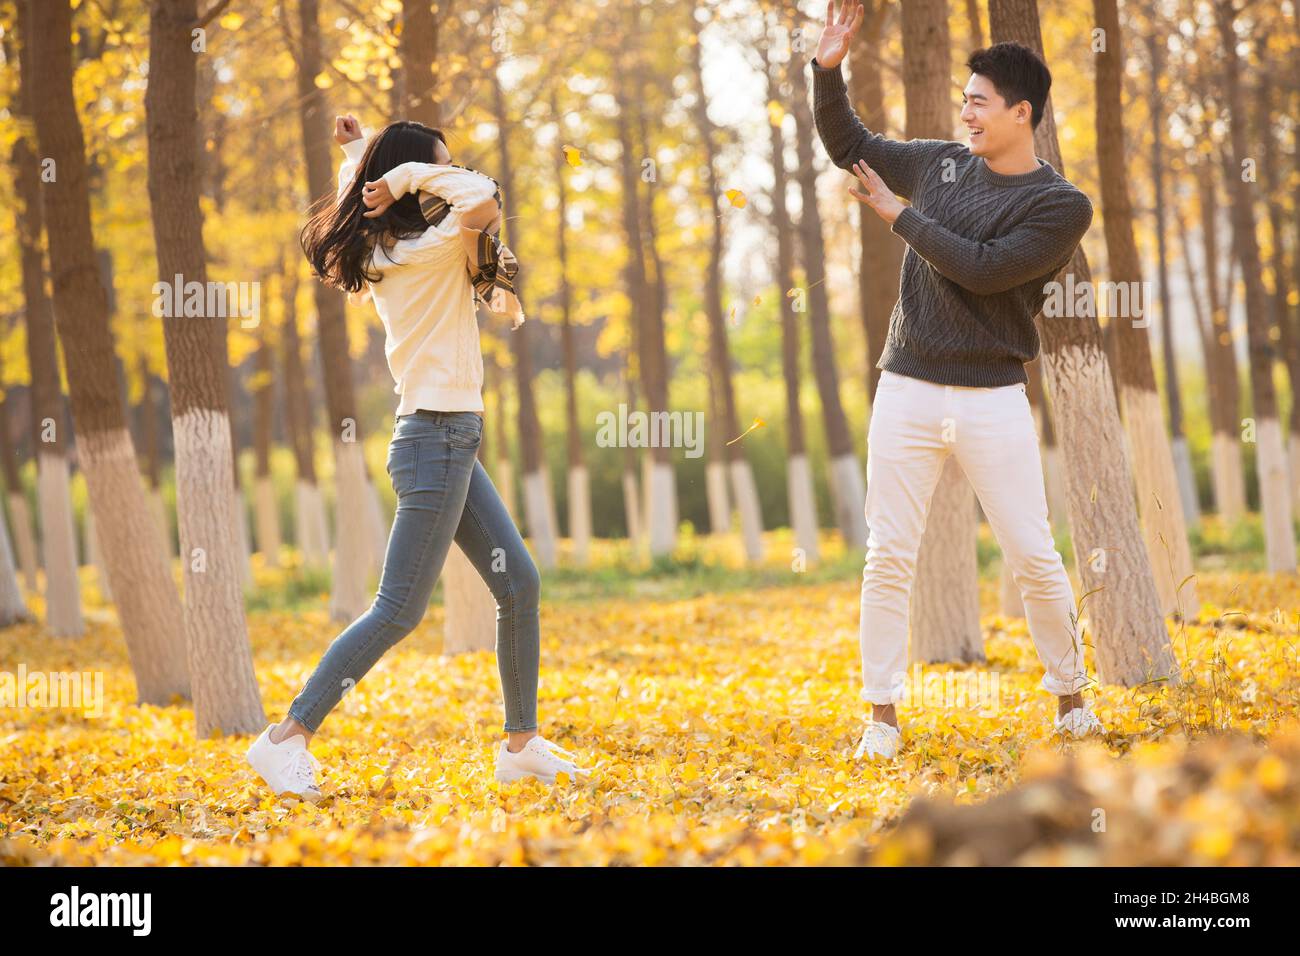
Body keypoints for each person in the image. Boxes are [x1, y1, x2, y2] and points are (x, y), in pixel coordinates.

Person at [246, 114, 589, 799]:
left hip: (446, 439)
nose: (443, 177)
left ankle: (521, 745)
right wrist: (396, 168)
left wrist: (357, 156)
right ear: (407, 184)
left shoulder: (390, 251)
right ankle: (286, 737)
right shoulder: (430, 249)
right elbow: (484, 197)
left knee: (518, 585)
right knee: (399, 609)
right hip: (436, 440)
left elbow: (419, 201)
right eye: (432, 168)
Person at [811, 2, 1104, 760]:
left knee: (1033, 552)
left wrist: (898, 218)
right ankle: (881, 715)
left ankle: (1070, 698)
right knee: (888, 554)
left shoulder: (1061, 206)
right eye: (965, 99)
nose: (966, 111)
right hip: (906, 386)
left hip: (994, 398)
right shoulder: (938, 161)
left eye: (979, 100)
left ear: (1021, 112)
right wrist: (829, 69)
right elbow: (852, 146)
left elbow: (982, 270)